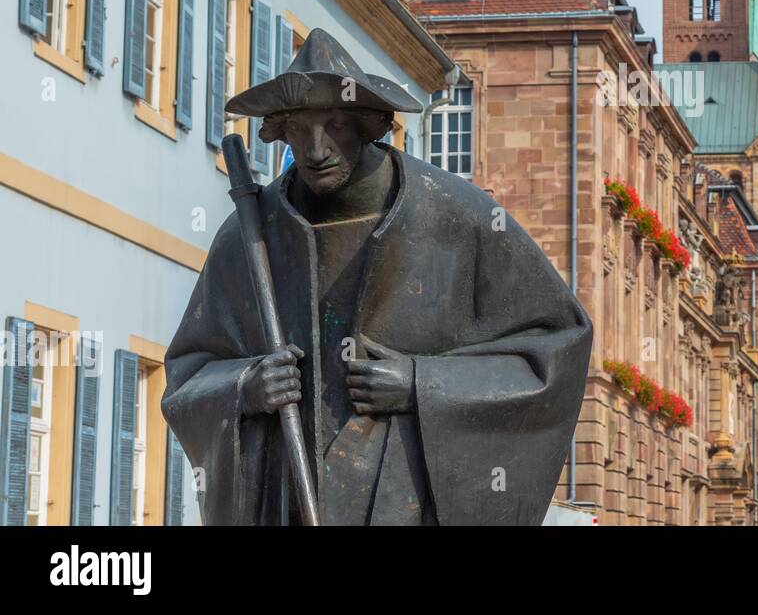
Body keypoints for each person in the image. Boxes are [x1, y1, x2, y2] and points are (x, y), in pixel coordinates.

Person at [162, 29, 591, 525]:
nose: (316, 148)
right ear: (280, 132)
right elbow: (189, 374)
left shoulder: (459, 217)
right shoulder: (250, 236)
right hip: (288, 498)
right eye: (300, 130)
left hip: (406, 496)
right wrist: (245, 386)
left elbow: (556, 350)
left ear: (370, 125)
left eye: (335, 126)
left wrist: (421, 385)